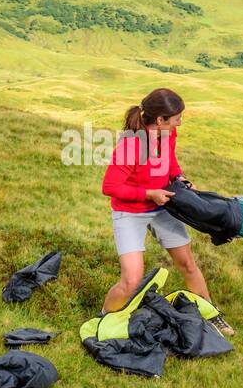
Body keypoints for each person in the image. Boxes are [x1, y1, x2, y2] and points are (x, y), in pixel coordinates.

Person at [100, 87, 233, 335]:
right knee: (131, 279)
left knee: (188, 264)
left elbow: (169, 160)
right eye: (176, 119)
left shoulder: (168, 135)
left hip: (162, 207)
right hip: (130, 213)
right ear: (160, 120)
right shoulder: (131, 146)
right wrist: (149, 194)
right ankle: (104, 319)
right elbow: (110, 187)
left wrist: (180, 177)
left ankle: (211, 314)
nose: (179, 123)